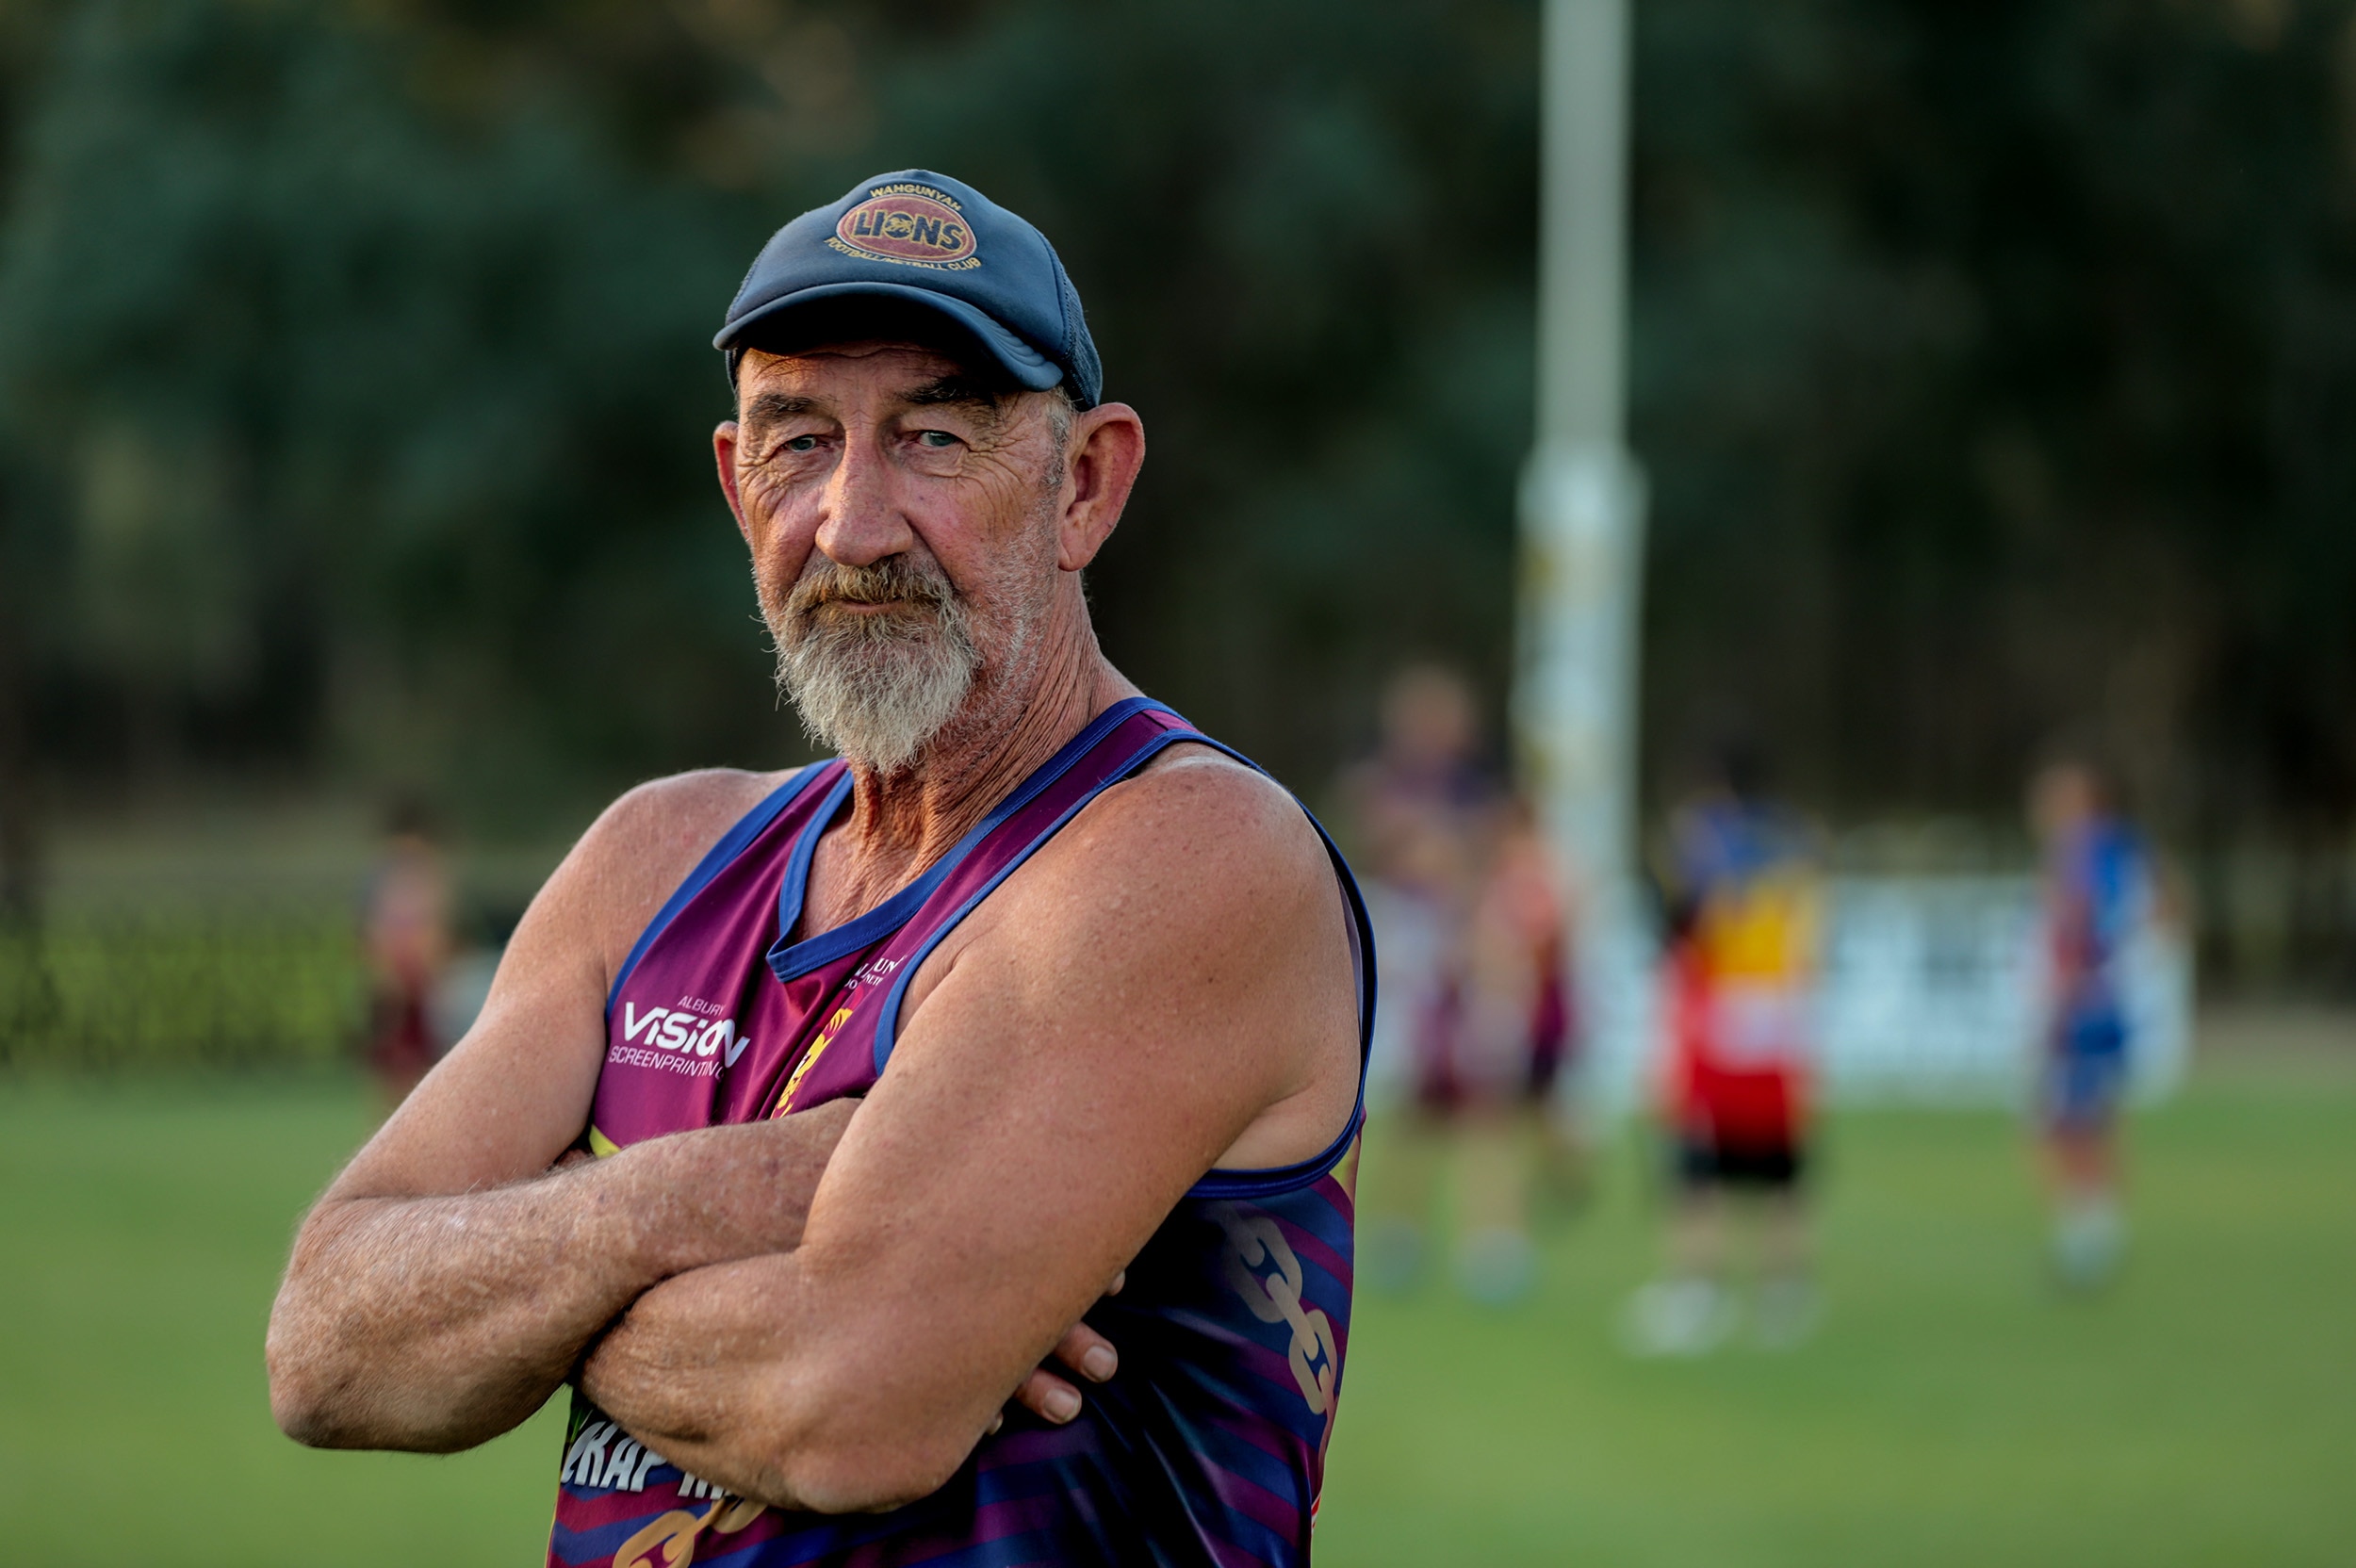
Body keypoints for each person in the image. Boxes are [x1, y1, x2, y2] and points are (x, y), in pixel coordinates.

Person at [266, 170, 1371, 1568]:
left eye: (934, 437)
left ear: (1084, 484)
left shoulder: (1192, 854)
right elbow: (324, 1341)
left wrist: (521, 1299)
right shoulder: (656, 857)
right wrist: (705, 1200)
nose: (853, 525)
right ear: (736, 483)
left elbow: (843, 1407)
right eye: (800, 440)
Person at [1346, 667, 1571, 1303]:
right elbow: (1391, 847)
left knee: (1487, 1111)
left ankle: (1491, 1244)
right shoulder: (1388, 785)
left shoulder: (1472, 792)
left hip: (1470, 959)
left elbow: (1485, 854)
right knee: (1419, 1115)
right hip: (1419, 962)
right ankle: (1396, 1235)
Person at [1625, 743, 1821, 1354]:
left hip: (1718, 1023)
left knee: (1697, 1162)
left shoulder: (1703, 847)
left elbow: (1678, 928)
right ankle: (1784, 1292)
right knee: (1780, 1166)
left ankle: (1698, 1291)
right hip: (1778, 1024)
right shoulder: (1793, 844)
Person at [2028, 753, 2153, 1288]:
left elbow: (2076, 924)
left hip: (2083, 1008)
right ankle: (2095, 1235)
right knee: (2092, 1121)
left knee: (2067, 1124)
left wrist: (2063, 990)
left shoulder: (2079, 848)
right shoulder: (2120, 846)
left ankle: (2087, 1241)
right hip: (2107, 1001)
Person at [358, 796, 453, 1109]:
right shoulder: (383, 878)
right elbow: (372, 935)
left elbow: (440, 934)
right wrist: (388, 977)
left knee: (427, 1079)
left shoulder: (430, 876)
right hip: (395, 991)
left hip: (423, 992)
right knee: (392, 1077)